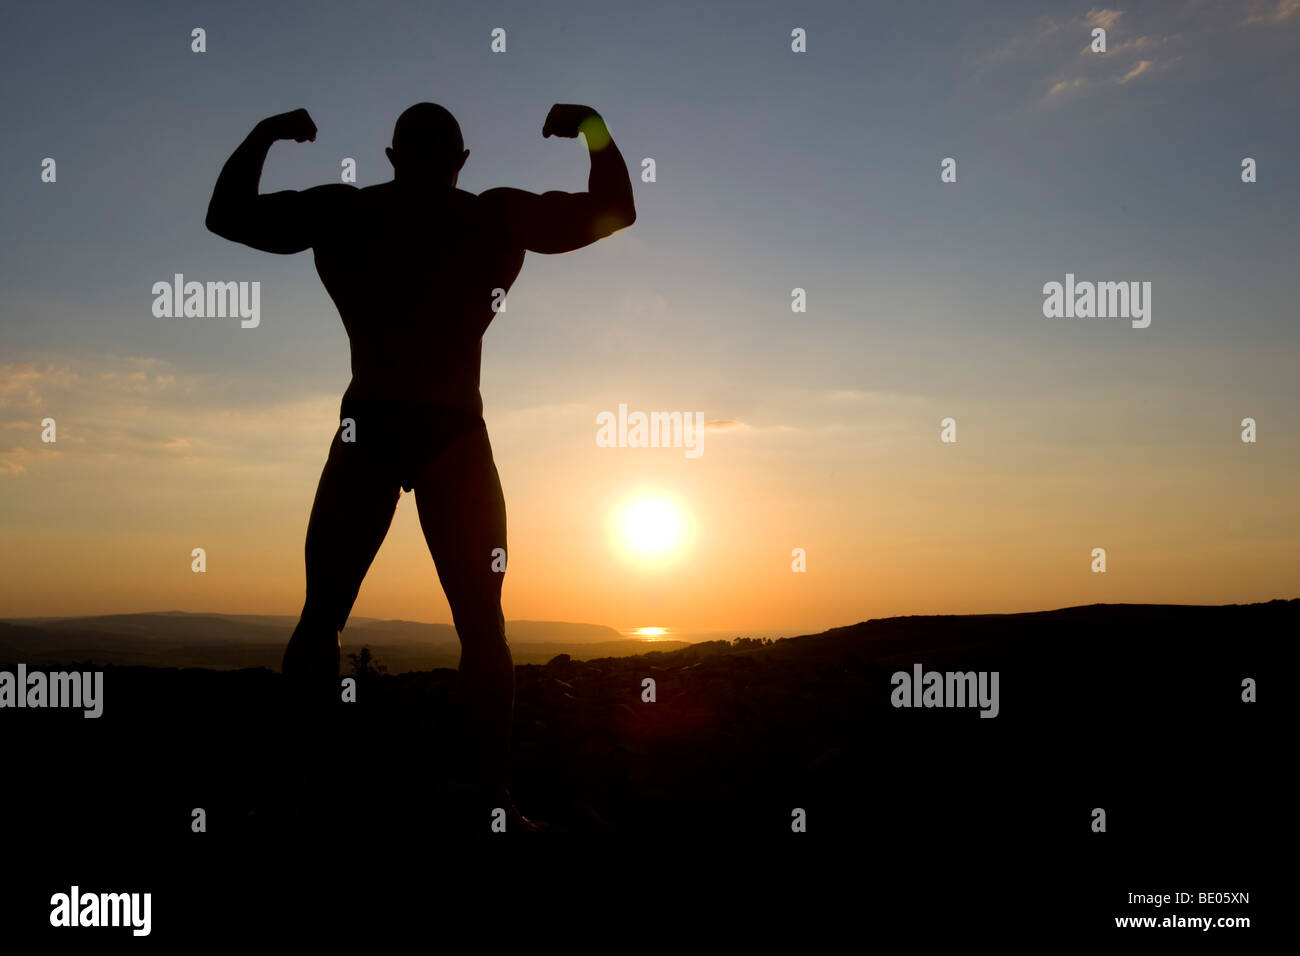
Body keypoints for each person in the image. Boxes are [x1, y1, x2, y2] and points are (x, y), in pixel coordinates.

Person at [206, 102, 636, 832]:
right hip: (453, 428)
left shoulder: (346, 212)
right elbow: (614, 210)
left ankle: (297, 796)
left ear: (390, 155)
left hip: (369, 418)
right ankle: (490, 798)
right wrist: (591, 126)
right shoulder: (494, 216)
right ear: (462, 159)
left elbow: (230, 214)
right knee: (482, 628)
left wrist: (266, 134)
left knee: (321, 621)